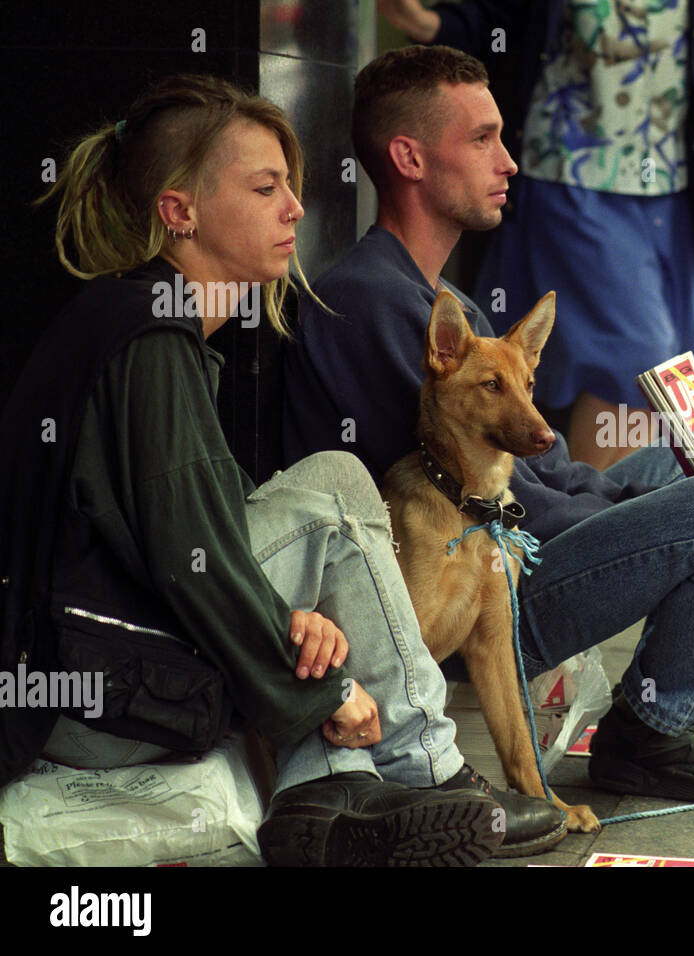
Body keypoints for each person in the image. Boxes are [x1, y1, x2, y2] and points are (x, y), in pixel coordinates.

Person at [0, 73, 567, 866]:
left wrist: (298, 622)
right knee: (338, 485)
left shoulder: (137, 321)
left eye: (292, 188)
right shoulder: (150, 338)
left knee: (313, 567)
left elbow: (205, 535)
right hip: (100, 703)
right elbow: (189, 562)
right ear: (179, 212)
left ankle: (323, 790)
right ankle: (427, 766)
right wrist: (326, 689)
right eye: (266, 188)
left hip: (94, 681)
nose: (296, 208)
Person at [282, 44, 694, 804]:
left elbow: (536, 463)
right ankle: (655, 729)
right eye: (483, 139)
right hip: (475, 595)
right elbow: (479, 492)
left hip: (520, 531)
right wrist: (632, 512)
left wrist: (625, 501)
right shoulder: (370, 300)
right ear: (409, 157)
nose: (511, 161)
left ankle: (665, 693)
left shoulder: (444, 296)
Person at [376, 0, 694, 468]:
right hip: (574, 175)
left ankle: (641, 522)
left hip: (675, 184)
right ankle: (606, 532)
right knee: (637, 367)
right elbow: (500, 22)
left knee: (675, 381)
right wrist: (427, 22)